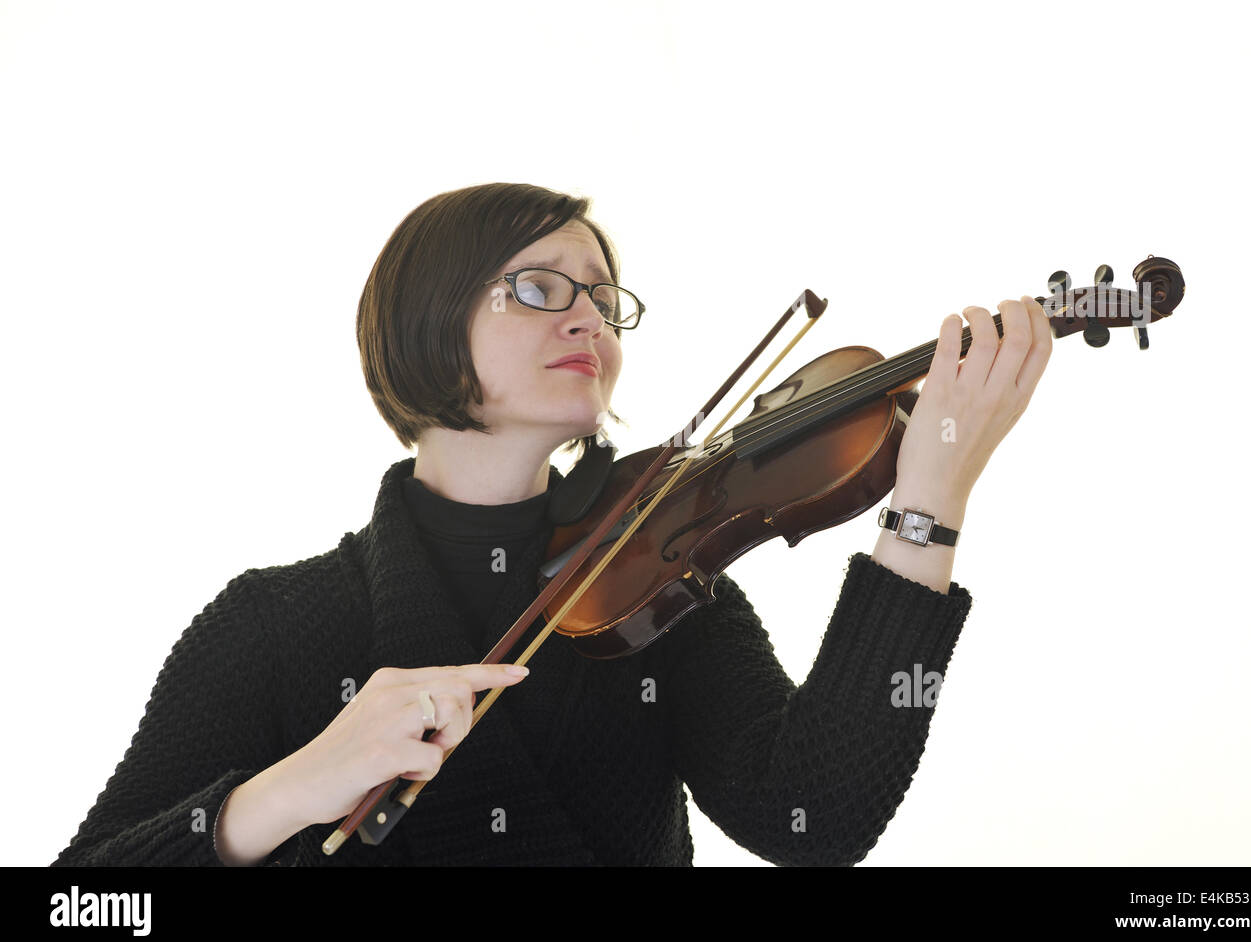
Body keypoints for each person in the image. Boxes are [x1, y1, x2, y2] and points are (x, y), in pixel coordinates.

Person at [51, 182, 1051, 867]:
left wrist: (927, 504)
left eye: (603, 299)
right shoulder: (272, 622)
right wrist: (284, 790)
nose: (588, 321)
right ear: (428, 319)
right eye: (539, 288)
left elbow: (813, 813)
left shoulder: (661, 589)